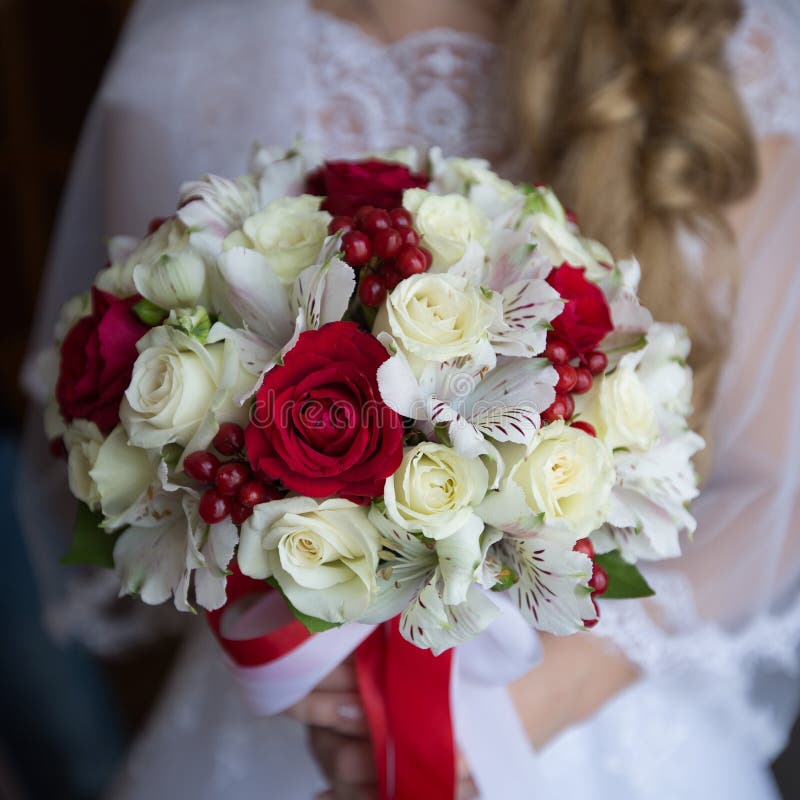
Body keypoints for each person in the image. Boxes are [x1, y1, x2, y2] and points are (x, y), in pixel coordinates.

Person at [18, 0, 800, 798]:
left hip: (594, 712)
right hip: (292, 689)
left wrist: (503, 718)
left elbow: (773, 484)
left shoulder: (724, 48)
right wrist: (329, 683)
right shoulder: (200, 48)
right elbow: (150, 431)